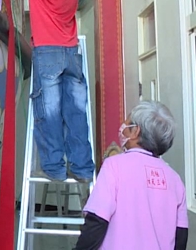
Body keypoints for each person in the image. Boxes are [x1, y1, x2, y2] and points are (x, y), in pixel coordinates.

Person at [0, 0, 94, 182]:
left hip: (48, 52)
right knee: (75, 112)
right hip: (71, 52)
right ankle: (83, 169)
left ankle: (53, 168)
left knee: (48, 112)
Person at [75, 102, 188, 250]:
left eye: (127, 125)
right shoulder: (175, 180)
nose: (122, 128)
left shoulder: (113, 166)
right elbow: (181, 236)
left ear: (135, 131)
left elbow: (97, 221)